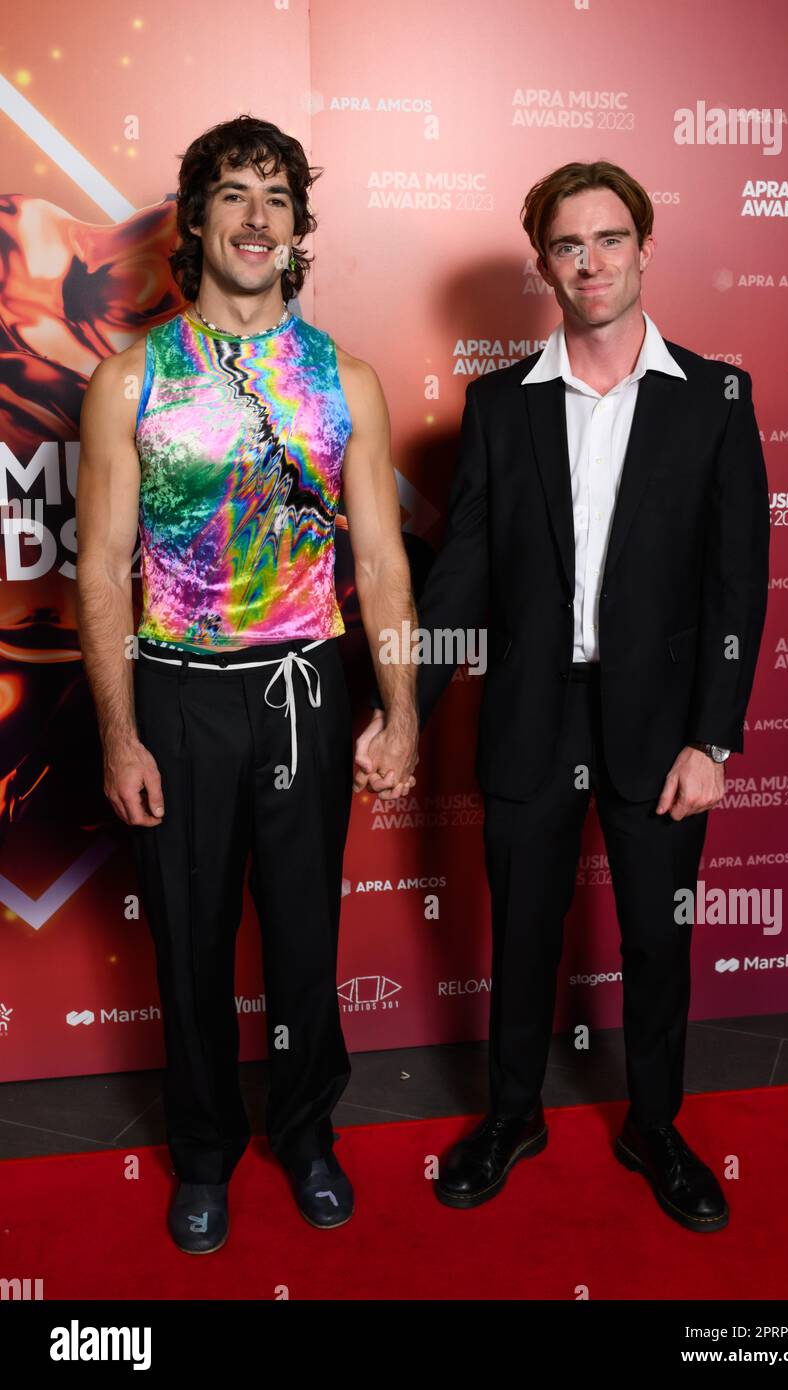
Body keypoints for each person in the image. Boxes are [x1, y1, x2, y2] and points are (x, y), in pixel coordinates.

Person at [355, 160, 770, 1233]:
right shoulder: (500, 405)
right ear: (542, 261)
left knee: (656, 939)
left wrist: (712, 738)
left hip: (660, 725)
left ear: (643, 245)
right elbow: (459, 577)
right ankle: (511, 1115)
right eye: (568, 244)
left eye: (610, 238)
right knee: (523, 930)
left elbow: (737, 581)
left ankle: (656, 1125)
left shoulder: (717, 397)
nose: (590, 261)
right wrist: (403, 704)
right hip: (532, 712)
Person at [76, 115, 418, 1254]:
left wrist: (401, 707)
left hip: (304, 686)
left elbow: (379, 560)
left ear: (299, 226)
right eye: (232, 193)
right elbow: (102, 572)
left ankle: (308, 1133)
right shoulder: (130, 380)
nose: (255, 216)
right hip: (176, 691)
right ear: (196, 219)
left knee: (306, 938)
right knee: (186, 940)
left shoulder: (345, 380)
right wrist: (121, 735)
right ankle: (205, 1154)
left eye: (275, 196)